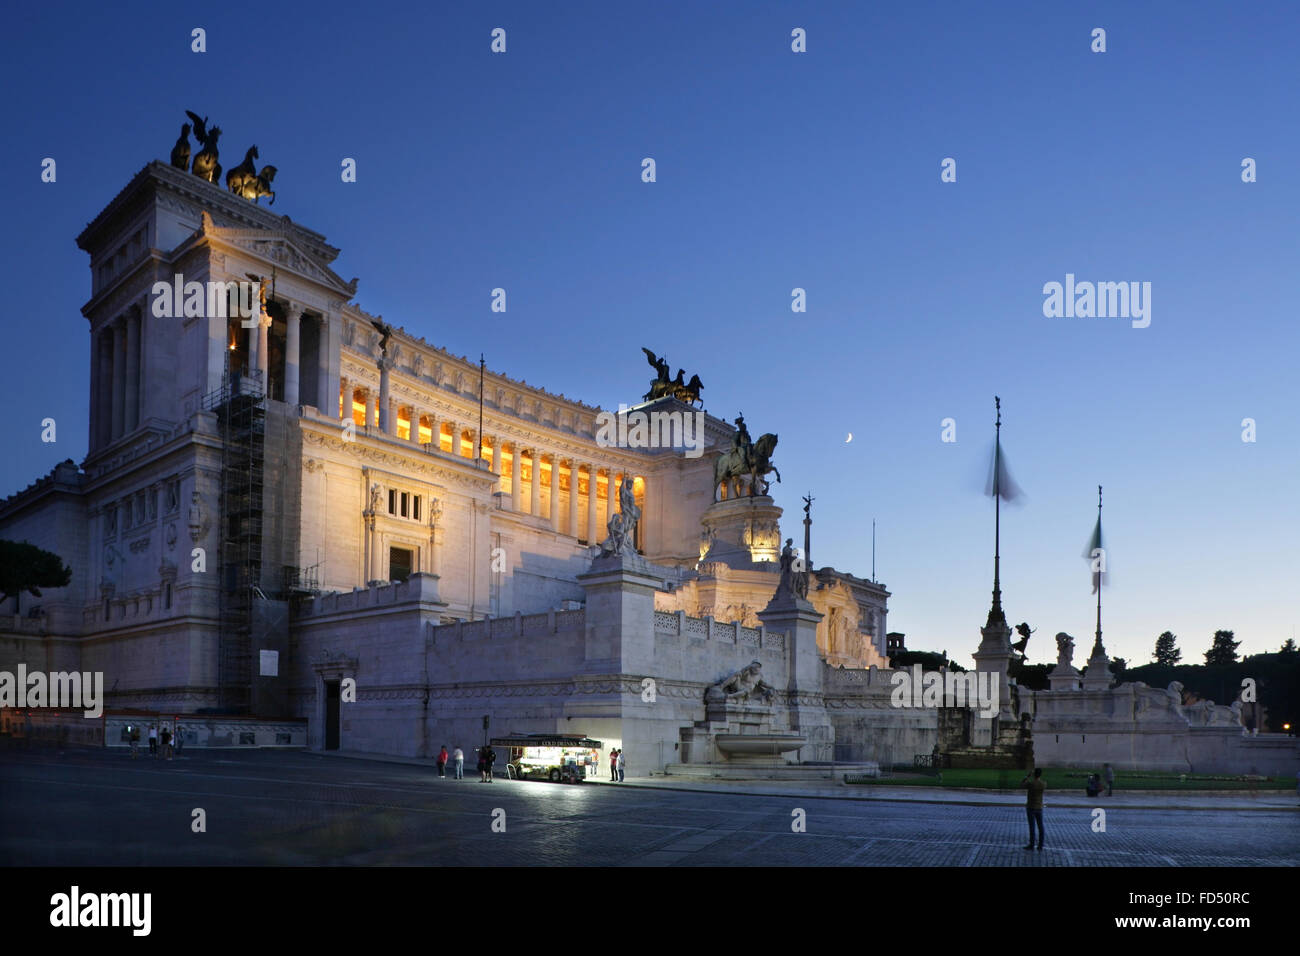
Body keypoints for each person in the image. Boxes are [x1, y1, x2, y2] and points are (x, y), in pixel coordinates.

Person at [1020, 767, 1046, 850]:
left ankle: (1032, 844)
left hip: (1031, 807)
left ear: (1034, 774)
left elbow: (1022, 784)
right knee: (1041, 826)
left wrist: (1027, 776)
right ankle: (1040, 844)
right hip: (1039, 807)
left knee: (1032, 827)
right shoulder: (1043, 784)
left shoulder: (1031, 784)